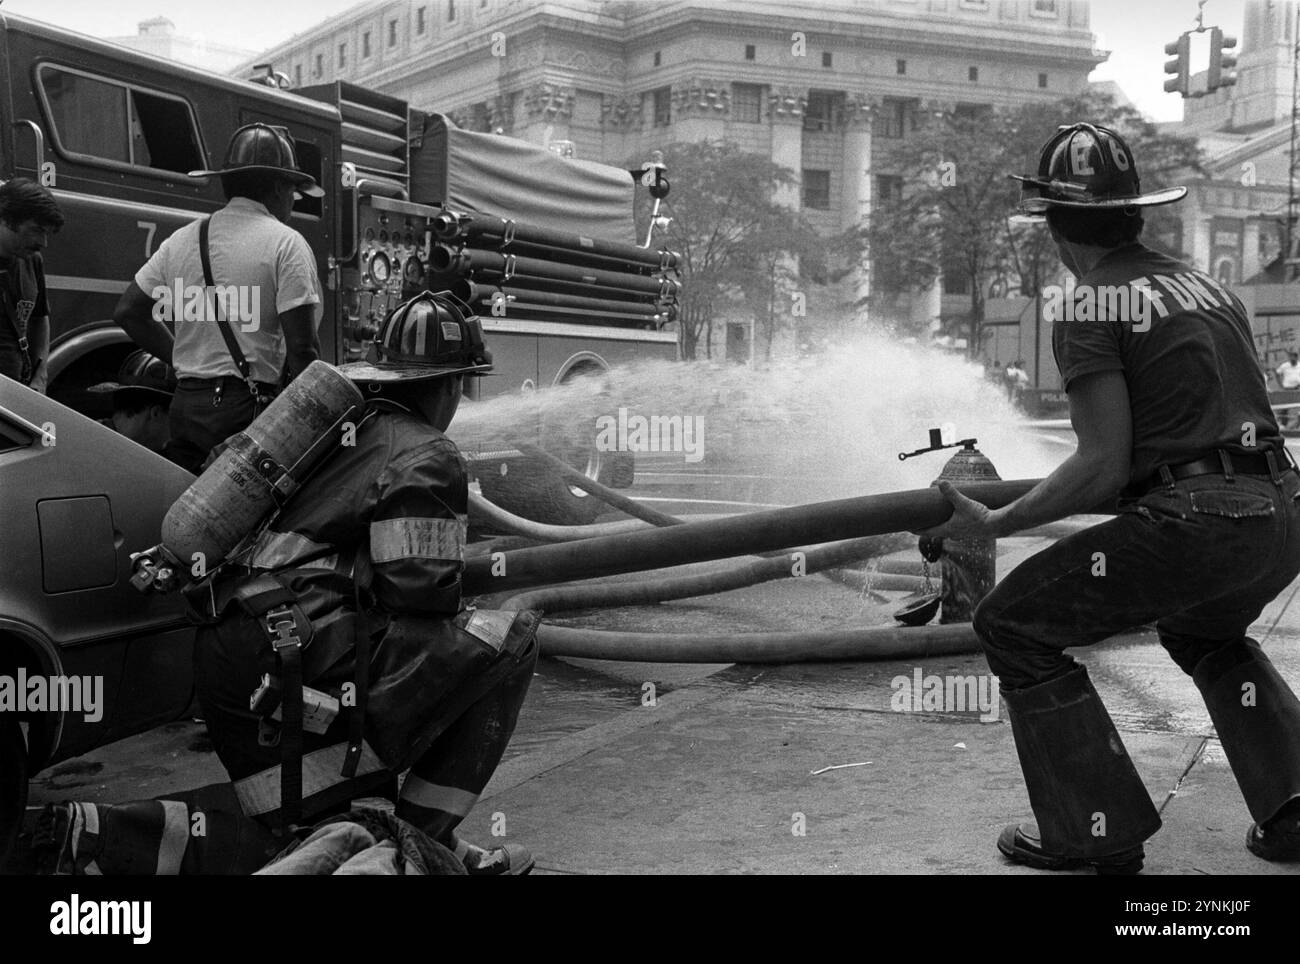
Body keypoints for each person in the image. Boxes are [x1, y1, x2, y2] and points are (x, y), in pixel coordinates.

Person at [33, 292, 541, 876]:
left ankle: (87, 837)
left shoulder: (324, 434)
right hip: (296, 656)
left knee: (301, 831)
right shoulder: (428, 454)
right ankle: (418, 840)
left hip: (232, 656)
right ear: (452, 385)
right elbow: (420, 598)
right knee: (509, 638)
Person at [922, 122, 1300, 873]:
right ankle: (1296, 811)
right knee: (1204, 633)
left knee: (1013, 625)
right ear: (1136, 213)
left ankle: (1094, 833)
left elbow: (1101, 466)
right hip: (1284, 512)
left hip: (1199, 520)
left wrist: (999, 520)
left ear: (1054, 227)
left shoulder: (1091, 302)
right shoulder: (1209, 287)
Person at [113, 123, 323, 473]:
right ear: (275, 187)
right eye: (292, 191)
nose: (293, 201)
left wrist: (182, 363)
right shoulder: (286, 243)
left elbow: (129, 311)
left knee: (191, 503)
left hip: (185, 405)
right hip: (246, 411)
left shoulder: (181, 239)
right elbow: (303, 350)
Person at [0, 178, 64, 393]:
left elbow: (39, 317)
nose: (43, 243)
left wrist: (40, 374)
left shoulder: (32, 260)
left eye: (47, 233)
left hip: (16, 393)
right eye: (37, 230)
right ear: (6, 219)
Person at [88, 350, 183, 462]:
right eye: (175, 420)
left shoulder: (86, 436)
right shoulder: (104, 453)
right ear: (156, 413)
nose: (173, 435)